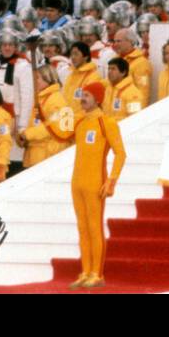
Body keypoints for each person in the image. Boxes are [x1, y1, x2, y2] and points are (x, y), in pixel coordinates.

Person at [69, 81, 126, 288]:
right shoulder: (80, 122)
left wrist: (111, 180)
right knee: (82, 228)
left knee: (94, 227)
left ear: (98, 99)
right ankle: (85, 271)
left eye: (87, 95)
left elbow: (121, 153)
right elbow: (58, 133)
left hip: (95, 182)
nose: (82, 99)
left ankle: (97, 273)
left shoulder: (106, 122)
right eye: (81, 94)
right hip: (77, 182)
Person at [21, 64, 76, 168]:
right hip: (38, 153)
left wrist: (27, 135)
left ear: (47, 78)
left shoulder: (56, 100)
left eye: (38, 78)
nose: (35, 81)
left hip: (48, 154)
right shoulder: (41, 98)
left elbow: (53, 127)